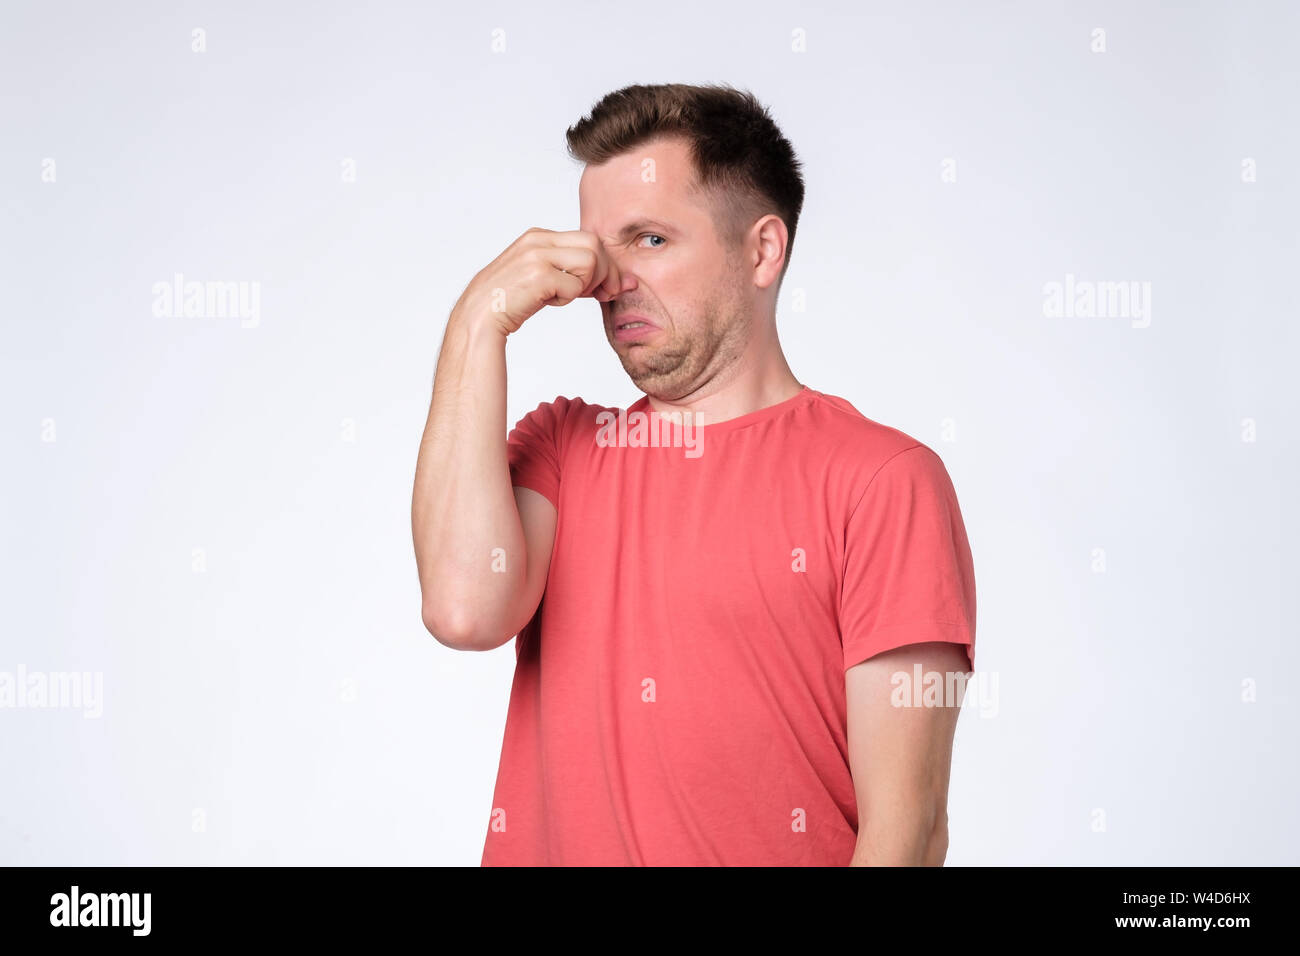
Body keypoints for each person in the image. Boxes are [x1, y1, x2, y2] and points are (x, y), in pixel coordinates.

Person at [411, 83, 977, 866]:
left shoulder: (884, 480)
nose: (608, 281)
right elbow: (463, 609)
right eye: (597, 249)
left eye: (648, 240)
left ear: (762, 250)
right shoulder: (564, 450)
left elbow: (905, 835)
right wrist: (477, 321)